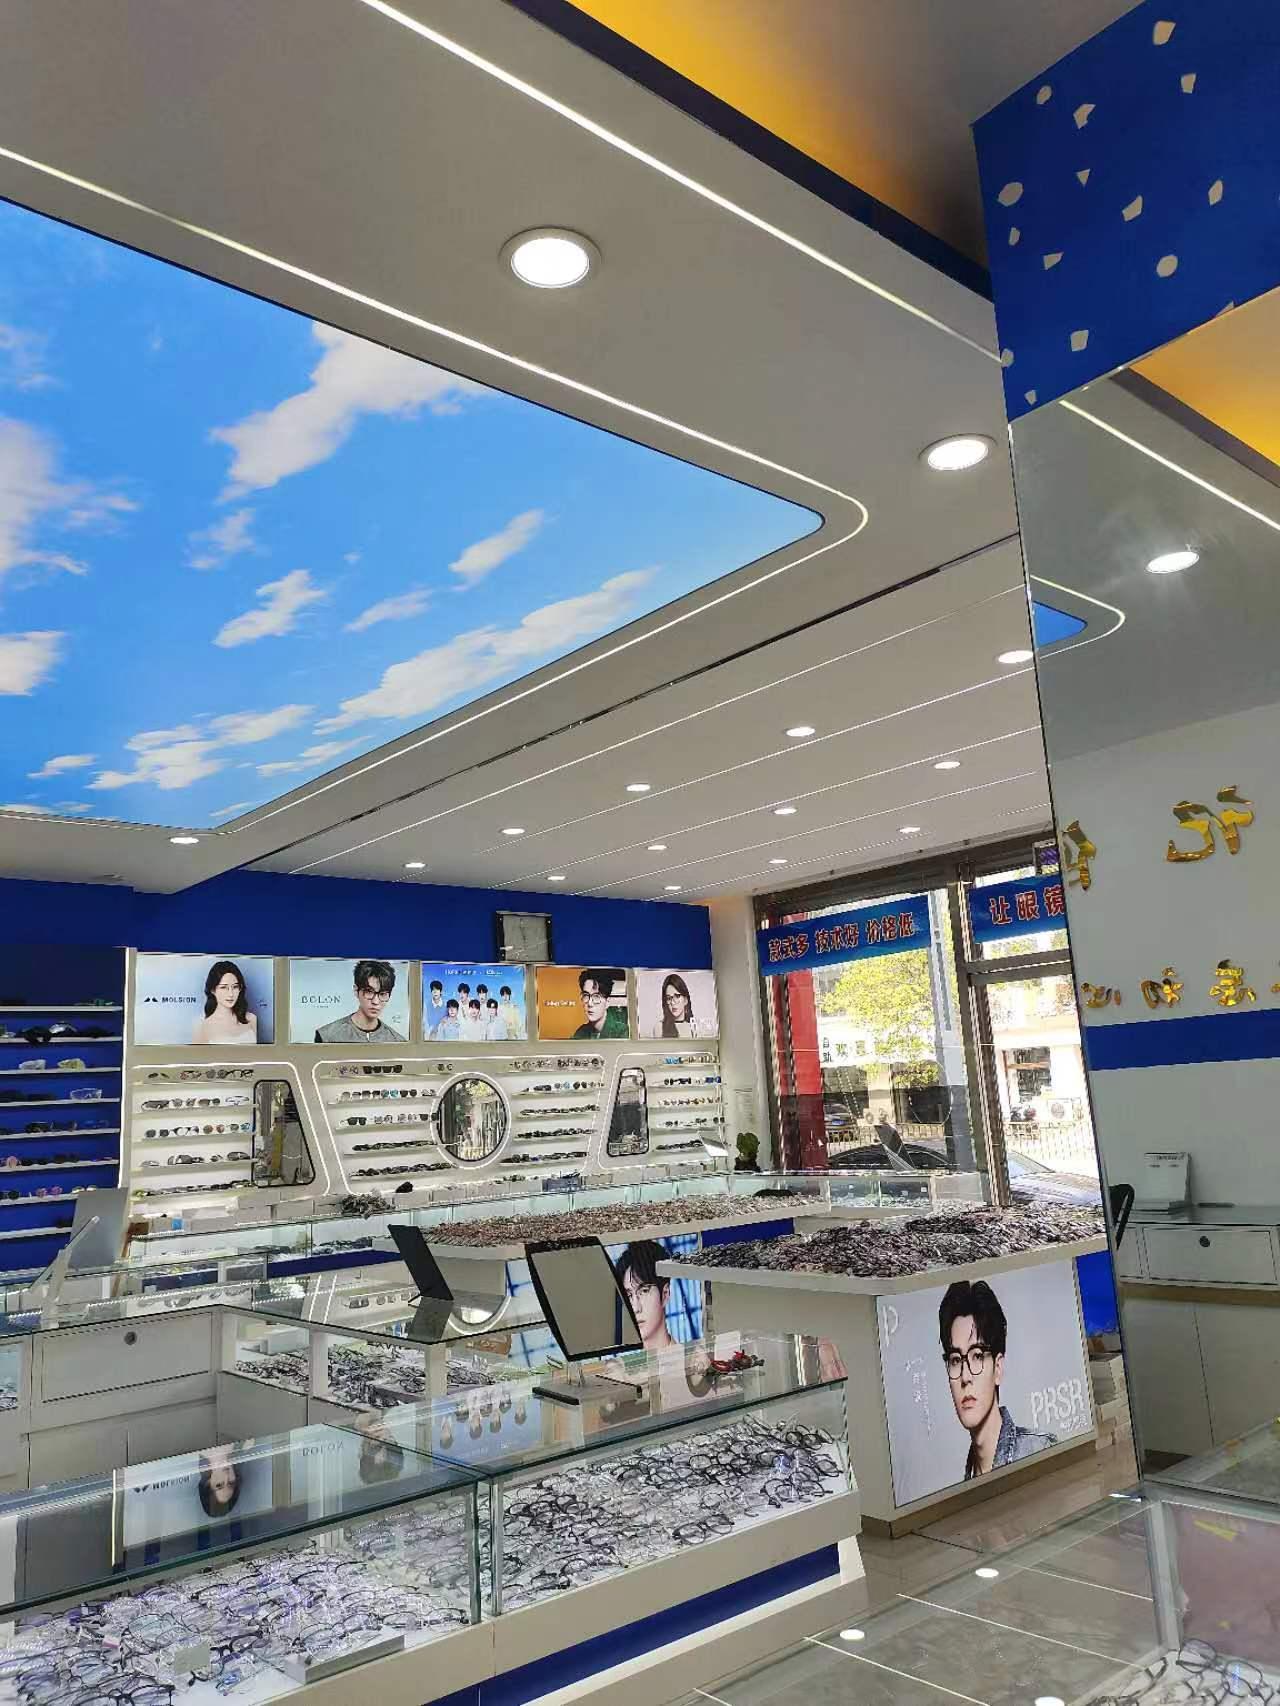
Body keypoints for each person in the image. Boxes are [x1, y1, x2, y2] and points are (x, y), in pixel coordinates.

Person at [939, 1278, 1056, 1479]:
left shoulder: (1040, 1450)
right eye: (956, 1360)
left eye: (977, 1356)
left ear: (998, 1368)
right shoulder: (968, 1480)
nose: (965, 1377)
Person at [314, 959, 406, 1044]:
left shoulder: (398, 1041)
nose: (375, 1001)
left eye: (382, 994)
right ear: (356, 990)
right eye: (369, 991)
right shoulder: (327, 1036)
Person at [615, 1241, 676, 1353]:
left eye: (644, 1291)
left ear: (665, 1294)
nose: (635, 1308)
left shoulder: (690, 1358)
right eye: (628, 1295)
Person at [191, 960, 258, 1045]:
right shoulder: (202, 1026)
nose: (231, 994)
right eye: (223, 987)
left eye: (235, 987)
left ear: (240, 988)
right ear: (213, 990)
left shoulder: (252, 1019)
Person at [573, 968, 629, 1039]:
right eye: (586, 995)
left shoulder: (622, 1031)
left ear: (607, 1002)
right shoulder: (580, 1033)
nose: (590, 1003)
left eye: (596, 996)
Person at [197, 1446, 242, 1517]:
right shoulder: (245, 1444)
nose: (226, 1476)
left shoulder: (193, 1447)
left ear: (208, 1482)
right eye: (231, 1483)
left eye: (219, 1485)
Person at [660, 972, 705, 1039]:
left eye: (677, 996)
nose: (672, 1002)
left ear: (685, 1000)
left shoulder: (695, 1027)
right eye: (669, 998)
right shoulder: (659, 1027)